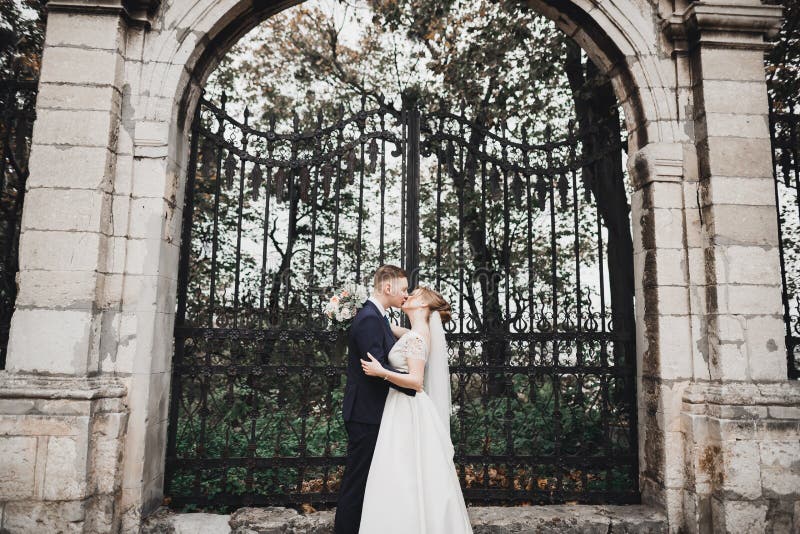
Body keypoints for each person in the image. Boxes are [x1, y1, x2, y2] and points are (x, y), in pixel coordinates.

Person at [359, 285, 473, 534]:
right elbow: (387, 327)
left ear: (423, 305)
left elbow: (416, 381)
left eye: (415, 295)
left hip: (407, 408)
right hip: (401, 406)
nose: (408, 296)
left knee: (404, 469)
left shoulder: (416, 338)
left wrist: (381, 372)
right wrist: (361, 308)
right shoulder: (415, 333)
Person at [333, 265, 420, 534]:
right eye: (403, 289)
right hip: (365, 414)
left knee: (370, 482)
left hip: (372, 412)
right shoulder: (370, 318)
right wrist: (414, 386)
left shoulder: (378, 316)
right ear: (387, 287)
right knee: (357, 483)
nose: (406, 294)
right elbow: (376, 369)